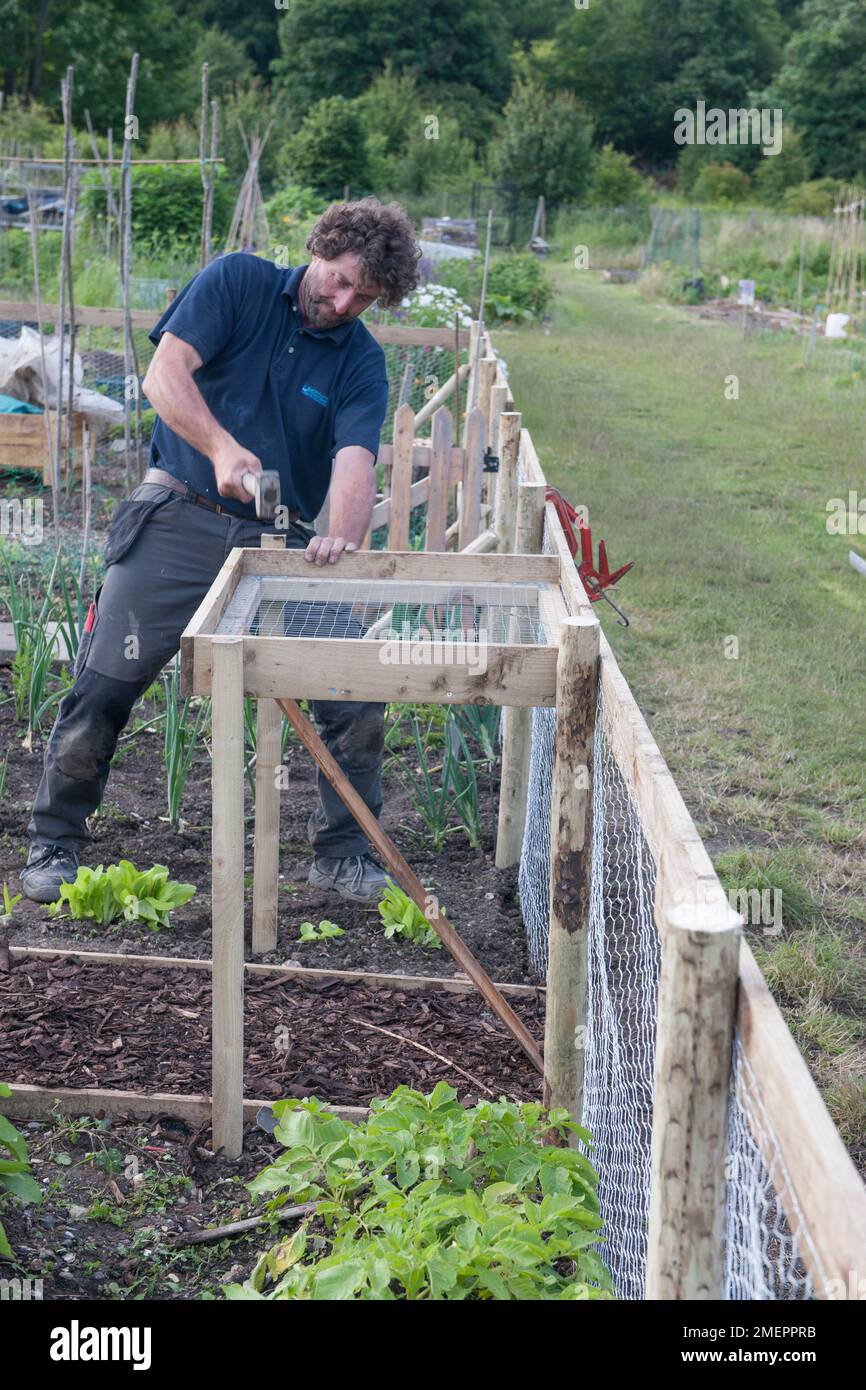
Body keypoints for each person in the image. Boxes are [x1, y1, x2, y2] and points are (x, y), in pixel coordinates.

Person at [22, 197, 421, 907]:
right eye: (341, 280)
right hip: (179, 514)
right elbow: (163, 377)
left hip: (280, 541)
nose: (345, 301)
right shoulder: (237, 282)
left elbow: (357, 459)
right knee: (106, 681)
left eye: (366, 295)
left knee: (353, 694)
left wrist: (342, 535)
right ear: (320, 248)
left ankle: (343, 854)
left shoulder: (360, 359)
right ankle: (56, 838)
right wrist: (222, 447)